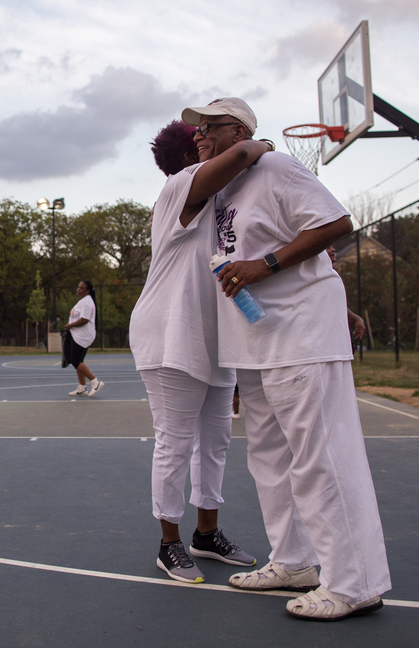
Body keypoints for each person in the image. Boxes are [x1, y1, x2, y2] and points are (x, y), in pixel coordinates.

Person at [183, 97, 390, 620]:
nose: (200, 135)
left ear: (240, 131)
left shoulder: (274, 166)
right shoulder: (221, 188)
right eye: (197, 129)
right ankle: (294, 561)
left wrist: (267, 265)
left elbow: (334, 223)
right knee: (270, 461)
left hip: (299, 336)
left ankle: (353, 583)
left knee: (321, 458)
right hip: (255, 344)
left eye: (210, 127)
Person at [129, 120, 269, 583]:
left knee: (216, 442)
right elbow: (238, 158)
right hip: (170, 333)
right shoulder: (178, 188)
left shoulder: (218, 203)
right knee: (175, 440)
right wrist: (261, 143)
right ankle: (169, 543)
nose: (205, 139)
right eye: (198, 138)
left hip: (213, 337)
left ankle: (206, 534)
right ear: (187, 157)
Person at [65, 280, 103, 397]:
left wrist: (70, 325)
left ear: (88, 290)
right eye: (78, 287)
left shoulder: (87, 302)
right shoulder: (83, 301)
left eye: (82, 288)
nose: (79, 289)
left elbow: (84, 320)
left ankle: (95, 382)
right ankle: (82, 388)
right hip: (78, 335)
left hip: (82, 337)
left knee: (75, 361)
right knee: (78, 361)